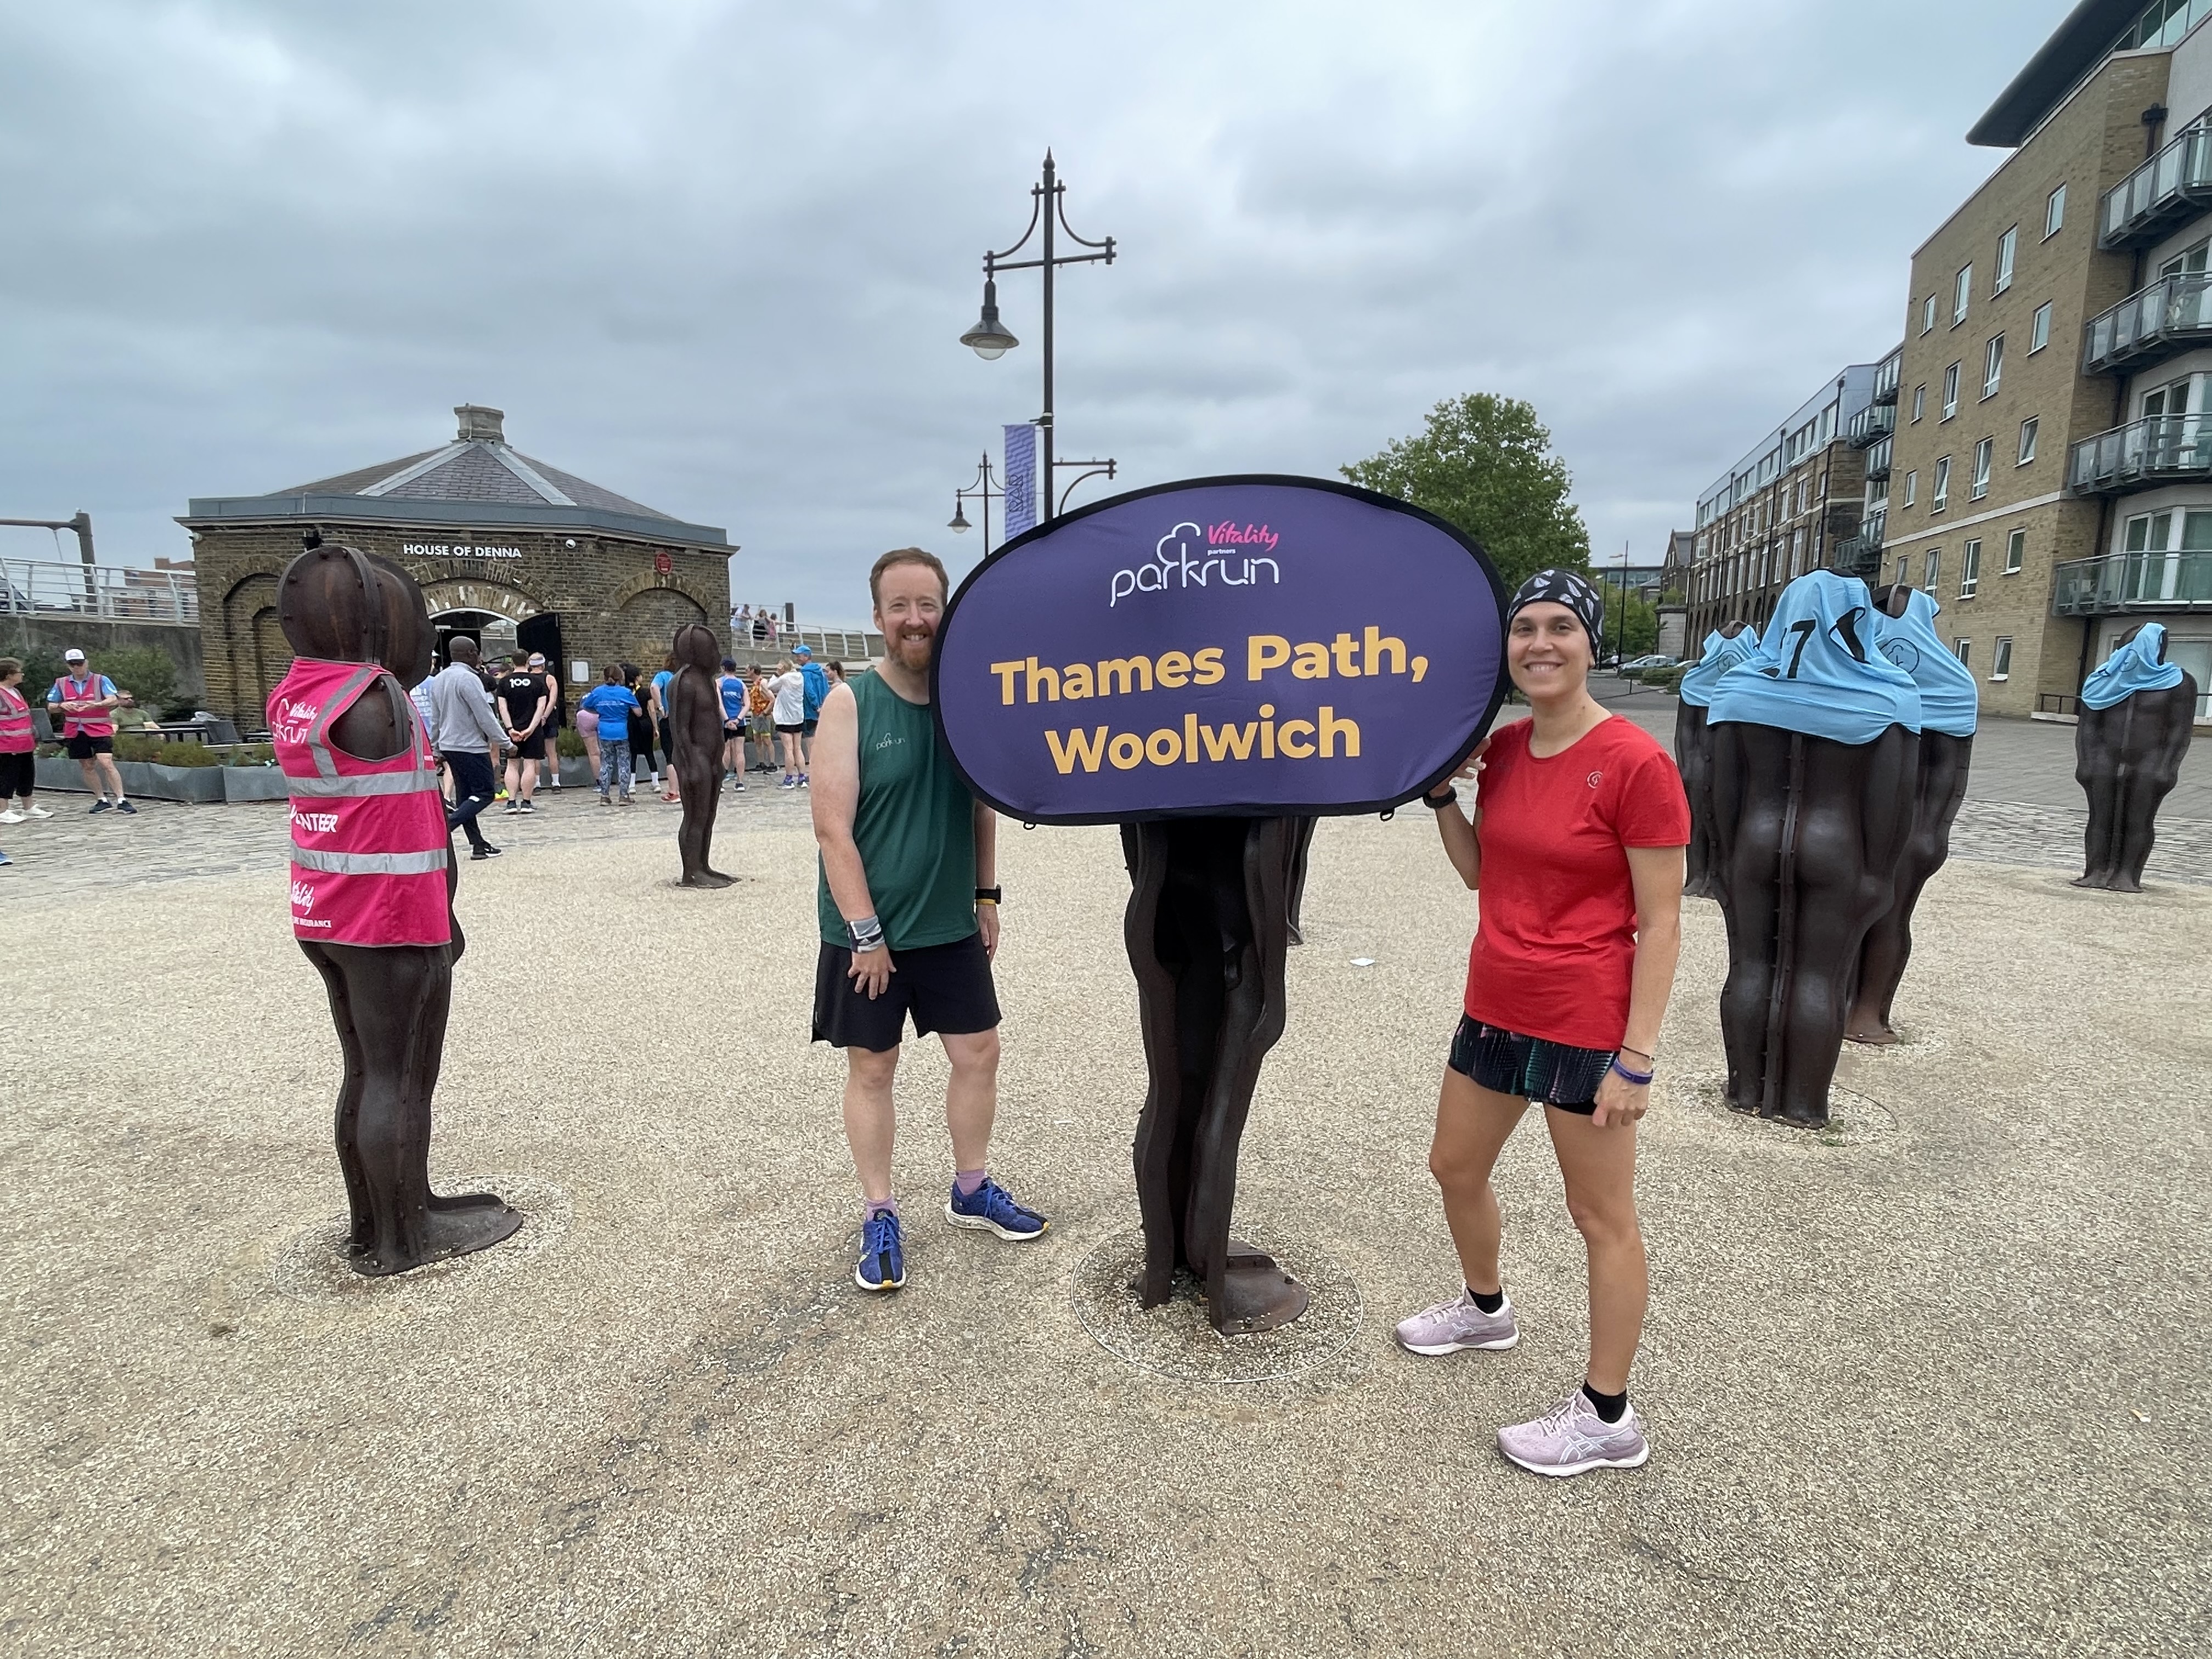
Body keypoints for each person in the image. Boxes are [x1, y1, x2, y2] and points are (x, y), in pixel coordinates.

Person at [1396, 568, 1688, 1479]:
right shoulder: (1509, 750)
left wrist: (1634, 1056)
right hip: (1496, 1003)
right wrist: (1444, 797)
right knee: (1453, 1165)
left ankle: (1608, 1415)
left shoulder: (1636, 762)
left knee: (1599, 1213)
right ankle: (1486, 1308)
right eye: (1524, 628)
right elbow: (1482, 873)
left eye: (1560, 626)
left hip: (1585, 1019)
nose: (1540, 643)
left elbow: (1664, 919)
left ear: (1590, 642)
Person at [811, 546, 1043, 1295]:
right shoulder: (850, 702)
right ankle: (880, 1211)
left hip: (948, 925)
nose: (916, 619)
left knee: (978, 1053)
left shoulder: (965, 699)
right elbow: (831, 831)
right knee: (873, 1067)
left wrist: (986, 897)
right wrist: (866, 935)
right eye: (900, 606)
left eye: (929, 604)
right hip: (868, 933)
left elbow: (980, 805)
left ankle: (970, 1188)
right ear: (878, 618)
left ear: (947, 611)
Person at [426, 637, 507, 859]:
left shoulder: (439, 679)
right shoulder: (469, 679)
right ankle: (447, 826)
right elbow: (485, 717)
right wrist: (506, 743)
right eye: (478, 652)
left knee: (465, 798)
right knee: (485, 793)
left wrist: (435, 748)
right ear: (472, 653)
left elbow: (436, 718)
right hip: (471, 746)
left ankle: (478, 846)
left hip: (449, 745)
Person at [47, 648, 132, 814]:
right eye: (73, 664)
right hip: (76, 730)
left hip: (99, 728)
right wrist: (62, 705)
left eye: (80, 663)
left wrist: (97, 704)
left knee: (106, 762)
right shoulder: (61, 683)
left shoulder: (101, 680)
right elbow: (51, 706)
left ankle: (122, 799)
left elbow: (113, 699)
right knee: (86, 765)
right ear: (68, 666)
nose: (77, 667)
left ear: (86, 663)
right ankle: (101, 799)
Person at [497, 653, 553, 815]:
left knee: (512, 764)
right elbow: (541, 707)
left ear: (513, 662)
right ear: (528, 662)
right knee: (529, 764)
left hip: (512, 729)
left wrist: (510, 729)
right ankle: (527, 802)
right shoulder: (537, 681)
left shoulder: (505, 682)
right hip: (532, 730)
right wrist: (532, 728)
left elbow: (502, 708)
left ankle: (511, 802)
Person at [578, 665, 643, 805]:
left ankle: (605, 795)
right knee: (624, 763)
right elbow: (639, 713)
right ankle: (624, 796)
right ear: (620, 677)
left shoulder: (598, 692)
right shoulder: (626, 693)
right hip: (621, 731)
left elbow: (585, 706)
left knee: (606, 763)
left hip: (604, 731)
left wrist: (599, 711)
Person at [0, 658, 50, 825]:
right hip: (7, 744)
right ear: (8, 675)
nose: (22, 675)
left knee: (27, 775)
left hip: (25, 742)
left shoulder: (16, 692)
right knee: (7, 776)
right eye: (19, 672)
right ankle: (3, 810)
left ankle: (28, 807)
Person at [768, 658, 806, 788]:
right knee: (798, 748)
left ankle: (789, 778)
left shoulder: (784, 679)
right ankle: (802, 777)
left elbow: (770, 687)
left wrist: (776, 674)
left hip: (785, 718)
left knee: (788, 749)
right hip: (798, 717)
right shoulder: (800, 677)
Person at [716, 656, 749, 789]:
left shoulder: (719, 682)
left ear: (723, 668)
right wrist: (738, 719)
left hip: (725, 721)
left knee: (725, 750)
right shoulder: (742, 684)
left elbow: (719, 704)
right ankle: (740, 781)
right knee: (739, 751)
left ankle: (721, 783)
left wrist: (727, 720)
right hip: (740, 722)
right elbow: (747, 704)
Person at [651, 653, 680, 804]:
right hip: (683, 721)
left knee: (671, 757)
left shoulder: (663, 676)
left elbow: (654, 687)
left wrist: (660, 707)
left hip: (668, 719)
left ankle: (673, 792)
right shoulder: (684, 677)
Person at [795, 644, 830, 771]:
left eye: (799, 656)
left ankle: (815, 770)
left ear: (806, 657)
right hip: (822, 709)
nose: (797, 658)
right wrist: (823, 705)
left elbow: (809, 690)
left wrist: (815, 706)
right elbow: (826, 688)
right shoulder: (820, 671)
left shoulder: (805, 672)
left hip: (810, 711)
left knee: (810, 742)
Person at [539, 656, 568, 791]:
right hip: (549, 717)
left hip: (531, 719)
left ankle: (536, 784)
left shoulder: (528, 679)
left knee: (533, 754)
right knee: (551, 751)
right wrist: (545, 715)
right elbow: (552, 700)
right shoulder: (549, 679)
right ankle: (556, 783)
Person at [748, 668, 776, 771]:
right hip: (755, 714)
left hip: (763, 715)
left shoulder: (763, 683)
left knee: (766, 739)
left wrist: (765, 712)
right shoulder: (755, 684)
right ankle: (761, 763)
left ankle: (772, 763)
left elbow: (772, 699)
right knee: (757, 740)